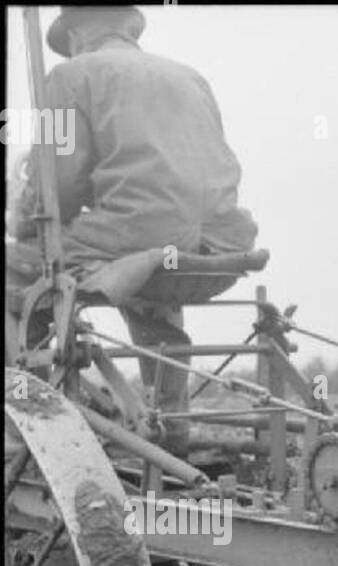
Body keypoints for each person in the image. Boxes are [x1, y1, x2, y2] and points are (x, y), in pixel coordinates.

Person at [5, 6, 259, 452]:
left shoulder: (69, 76)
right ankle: (172, 431)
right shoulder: (190, 77)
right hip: (219, 248)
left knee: (17, 266)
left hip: (142, 240)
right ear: (129, 27)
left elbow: (58, 186)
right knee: (148, 281)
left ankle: (33, 430)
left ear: (77, 34)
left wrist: (22, 212)